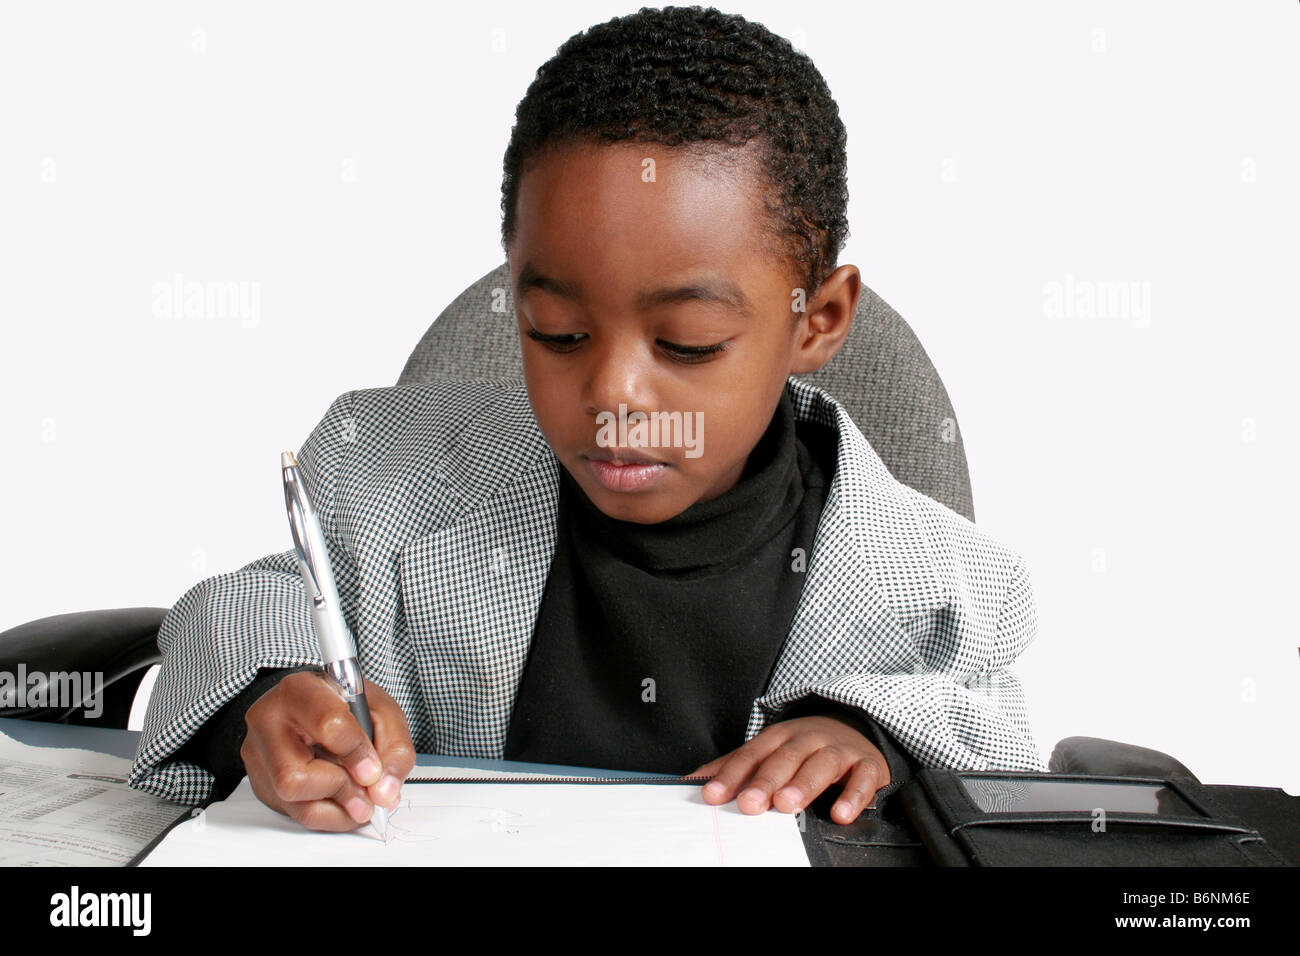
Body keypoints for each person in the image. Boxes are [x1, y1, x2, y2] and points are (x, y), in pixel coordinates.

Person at [128, 5, 1045, 834]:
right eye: (557, 332)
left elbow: (999, 740)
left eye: (687, 342)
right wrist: (273, 693)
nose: (614, 394)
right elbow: (244, 609)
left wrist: (871, 734)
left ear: (819, 322)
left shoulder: (949, 586)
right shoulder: (385, 474)